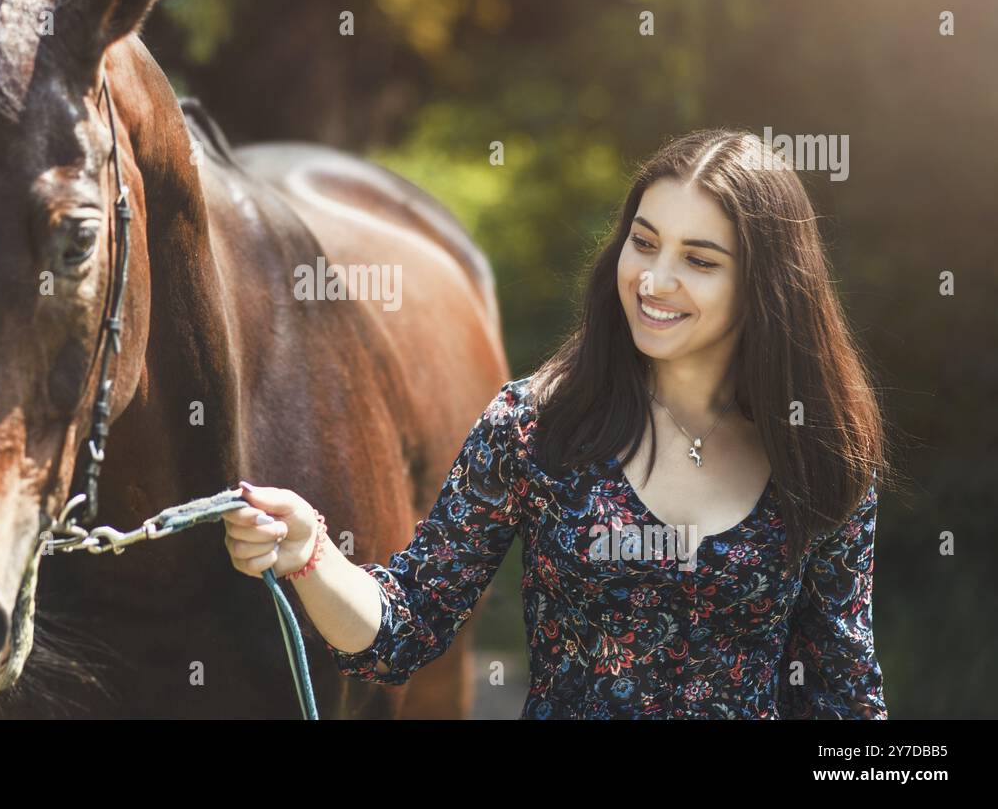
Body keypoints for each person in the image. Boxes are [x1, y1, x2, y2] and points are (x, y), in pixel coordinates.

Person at [223, 129, 889, 719]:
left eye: (700, 260)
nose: (655, 280)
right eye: (645, 242)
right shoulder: (534, 427)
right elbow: (403, 625)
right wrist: (310, 550)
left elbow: (844, 690)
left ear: (766, 285)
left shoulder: (819, 455)